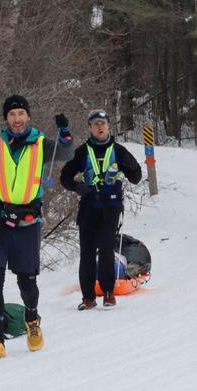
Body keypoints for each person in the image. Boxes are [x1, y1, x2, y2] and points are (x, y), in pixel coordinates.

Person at [0, 95, 74, 360]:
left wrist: (65, 132)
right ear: (6, 119)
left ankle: (32, 319)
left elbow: (66, 152)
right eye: (12, 115)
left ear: (28, 117)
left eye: (21, 114)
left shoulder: (41, 144)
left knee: (26, 283)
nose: (17, 119)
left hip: (27, 222)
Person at [60, 109, 142, 309]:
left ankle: (108, 293)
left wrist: (131, 167)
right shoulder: (81, 152)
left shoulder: (118, 150)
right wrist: (78, 187)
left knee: (106, 250)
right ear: (90, 127)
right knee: (87, 252)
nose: (99, 127)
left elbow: (136, 176)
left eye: (102, 123)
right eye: (95, 124)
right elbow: (65, 177)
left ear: (108, 126)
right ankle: (88, 298)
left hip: (111, 207)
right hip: (89, 207)